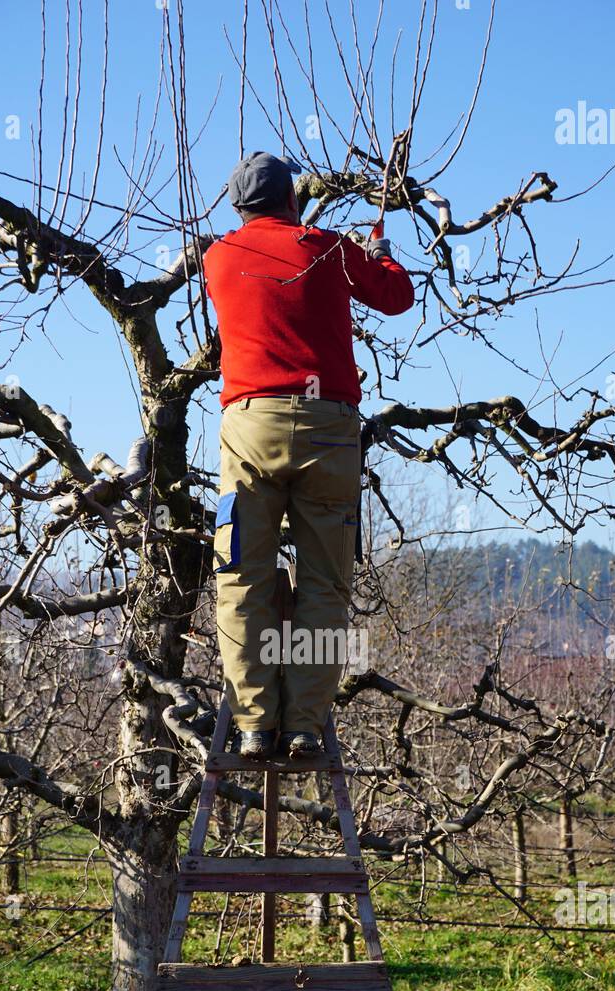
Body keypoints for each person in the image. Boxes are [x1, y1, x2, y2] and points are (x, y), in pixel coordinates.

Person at [203, 151, 414, 758]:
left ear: (239, 207)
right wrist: (378, 254)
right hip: (327, 428)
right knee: (326, 582)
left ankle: (252, 723)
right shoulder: (328, 247)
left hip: (249, 426)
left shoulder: (218, 258)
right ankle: (302, 725)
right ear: (293, 198)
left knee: (241, 577)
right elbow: (395, 296)